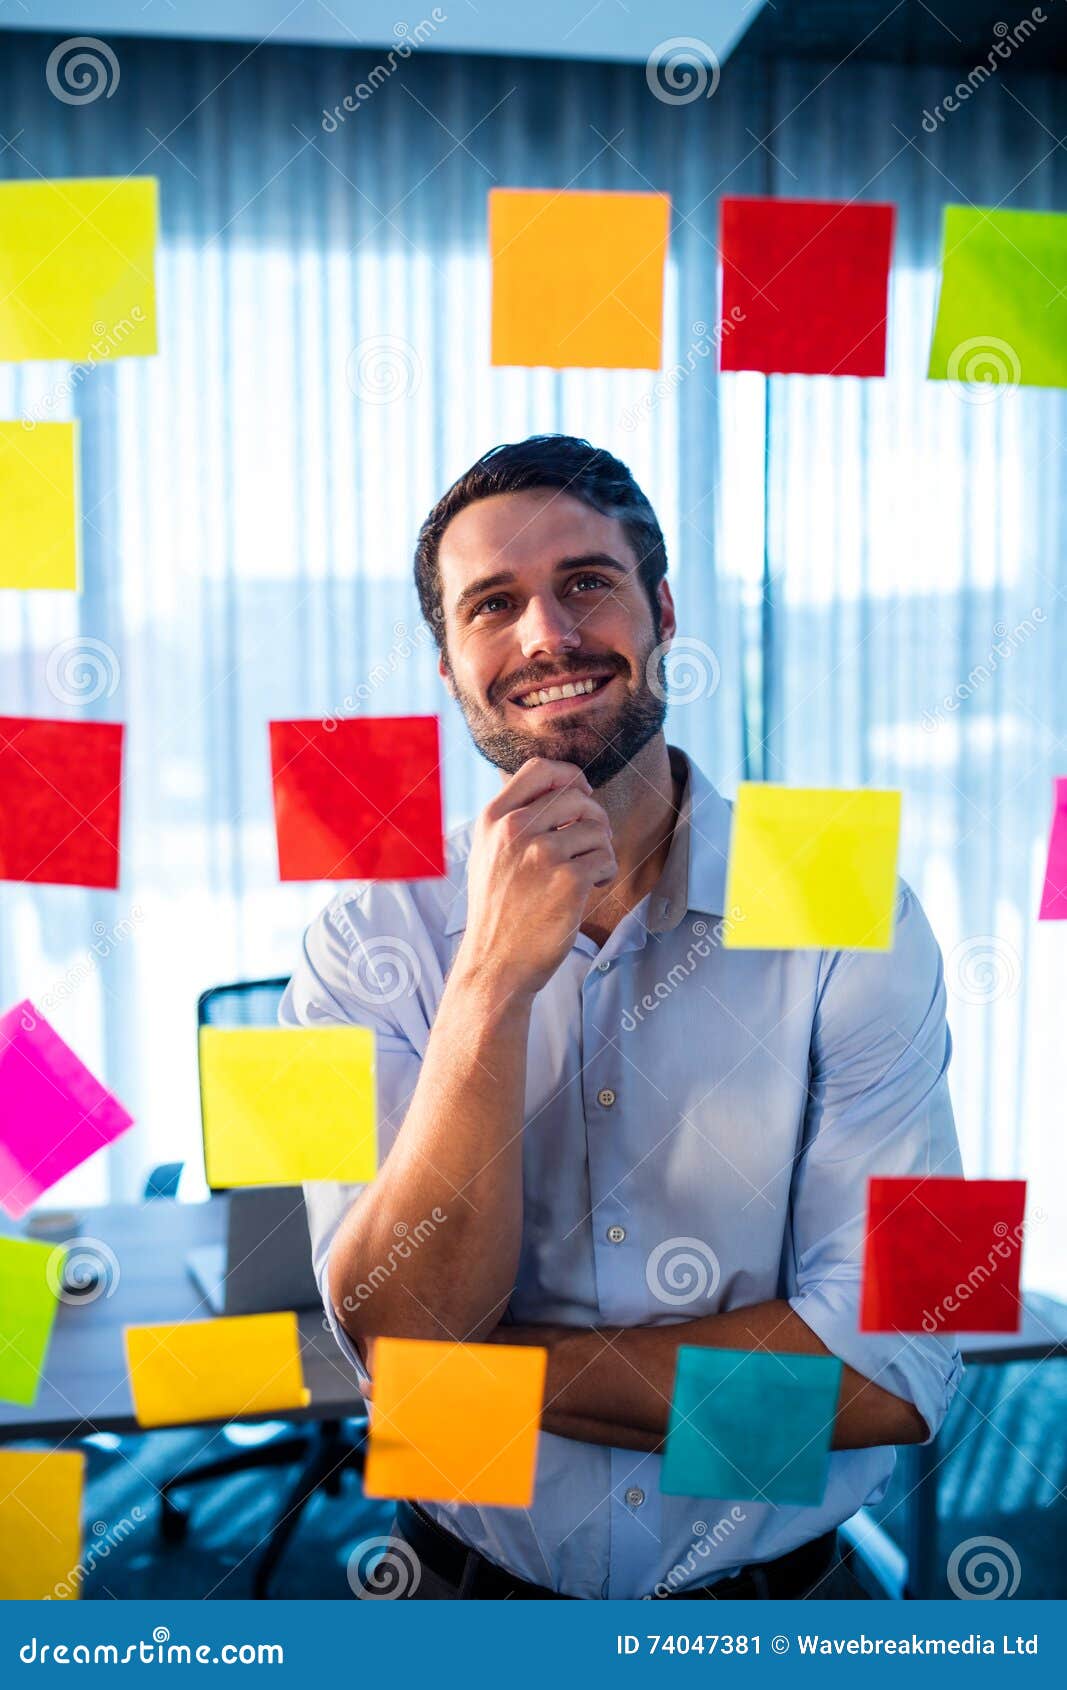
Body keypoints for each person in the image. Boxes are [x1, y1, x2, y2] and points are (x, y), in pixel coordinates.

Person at [280, 434, 962, 1600]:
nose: (545, 634)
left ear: (660, 613)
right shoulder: (358, 938)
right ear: (447, 664)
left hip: (782, 1607)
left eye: (584, 583)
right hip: (465, 1596)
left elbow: (901, 1371)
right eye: (491, 604)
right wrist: (491, 982)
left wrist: (469, 1370)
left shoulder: (856, 892)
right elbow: (393, 1325)